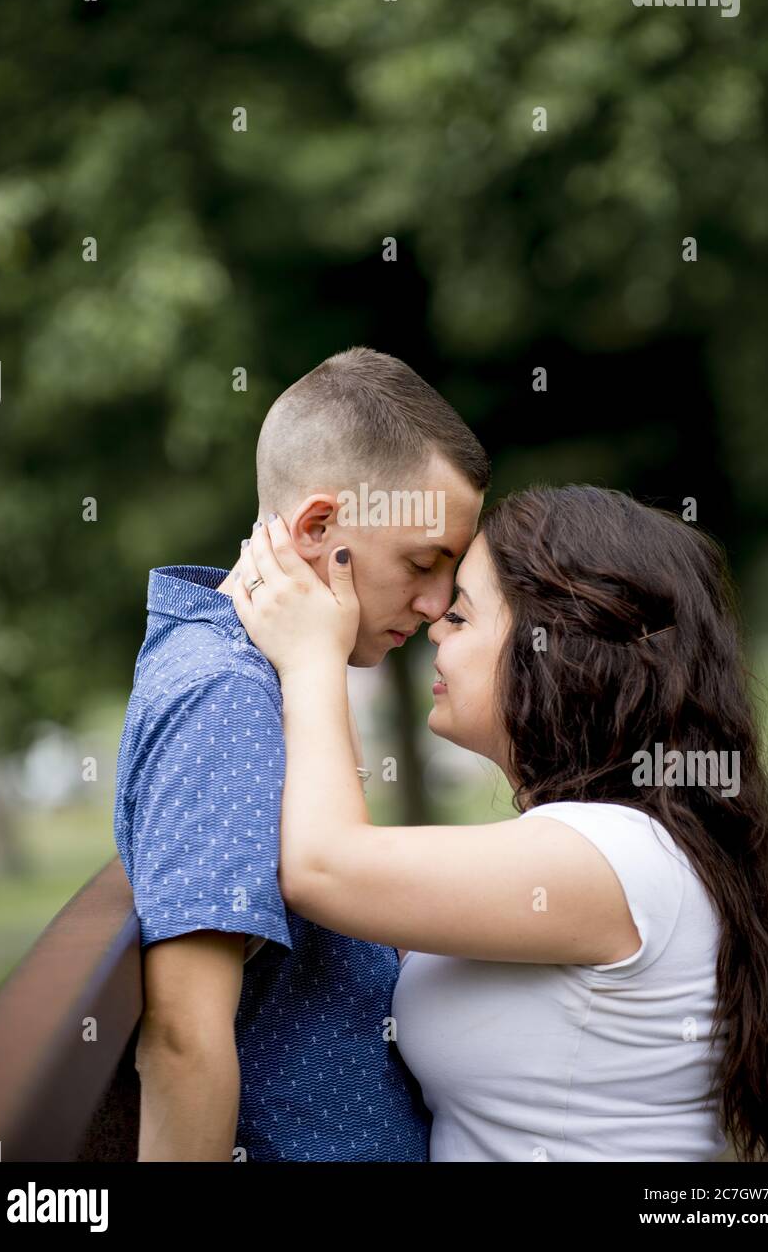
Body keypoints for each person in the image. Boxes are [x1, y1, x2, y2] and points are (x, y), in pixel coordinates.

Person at [232, 484, 768, 1163]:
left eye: (462, 617)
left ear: (554, 649)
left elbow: (324, 866)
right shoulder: (604, 847)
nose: (433, 625)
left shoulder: (613, 856)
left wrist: (310, 658)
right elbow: (357, 862)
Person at [113, 347, 488, 1160]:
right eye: (421, 564)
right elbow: (183, 1034)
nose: (432, 607)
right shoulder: (225, 694)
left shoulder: (263, 680)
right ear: (319, 528)